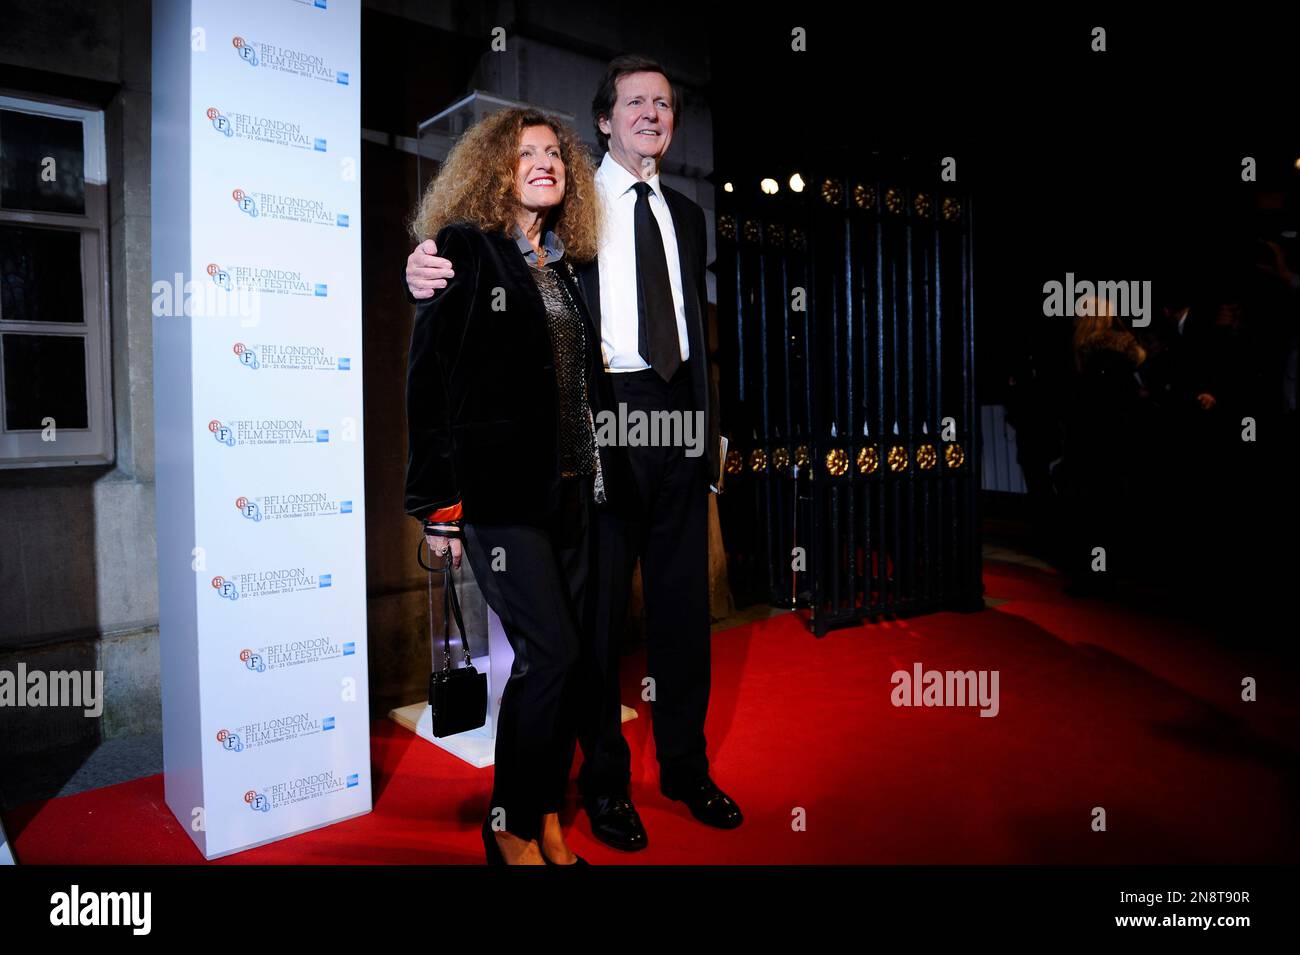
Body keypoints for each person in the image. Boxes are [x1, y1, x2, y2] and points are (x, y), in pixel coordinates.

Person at [404, 55, 742, 852]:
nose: (651, 115)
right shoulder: (564, 208)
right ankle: (604, 786)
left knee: (682, 609)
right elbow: (465, 290)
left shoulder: (677, 216)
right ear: (604, 118)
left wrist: (711, 439)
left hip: (673, 428)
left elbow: (699, 337)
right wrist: (419, 264)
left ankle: (687, 769)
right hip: (602, 426)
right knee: (583, 634)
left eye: (664, 103)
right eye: (635, 102)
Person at [404, 107, 604, 865]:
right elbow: (429, 384)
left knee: (567, 659)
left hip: (574, 490)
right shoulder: (466, 248)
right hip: (498, 498)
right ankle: (510, 827)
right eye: (527, 153)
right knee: (549, 652)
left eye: (555, 152)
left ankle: (546, 815)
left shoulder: (562, 263)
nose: (546, 162)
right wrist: (439, 510)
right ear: (495, 166)